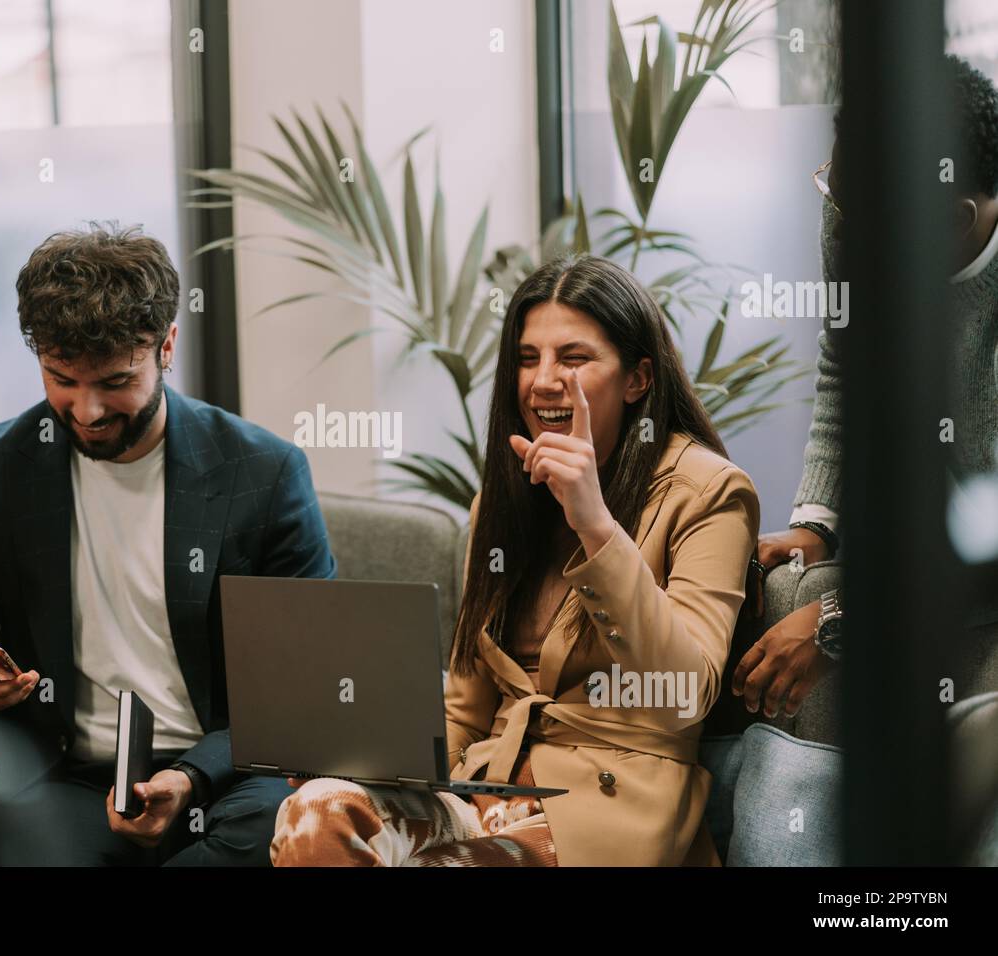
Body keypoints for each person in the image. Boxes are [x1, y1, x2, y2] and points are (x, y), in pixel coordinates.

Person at [270, 254, 759, 866]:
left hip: (604, 810)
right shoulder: (500, 504)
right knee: (315, 809)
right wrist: (373, 766)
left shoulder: (709, 492)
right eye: (528, 359)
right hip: (485, 788)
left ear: (638, 379)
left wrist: (595, 523)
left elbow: (685, 692)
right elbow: (466, 708)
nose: (543, 380)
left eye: (573, 359)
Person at [0, 223, 336, 865]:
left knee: (276, 835)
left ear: (166, 345)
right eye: (62, 378)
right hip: (64, 775)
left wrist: (192, 776)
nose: (87, 411)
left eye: (114, 381)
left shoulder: (263, 471)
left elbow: (306, 681)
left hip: (227, 773)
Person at [736, 54, 998, 719]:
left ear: (956, 222)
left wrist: (840, 619)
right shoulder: (862, 205)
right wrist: (815, 523)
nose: (842, 229)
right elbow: (844, 361)